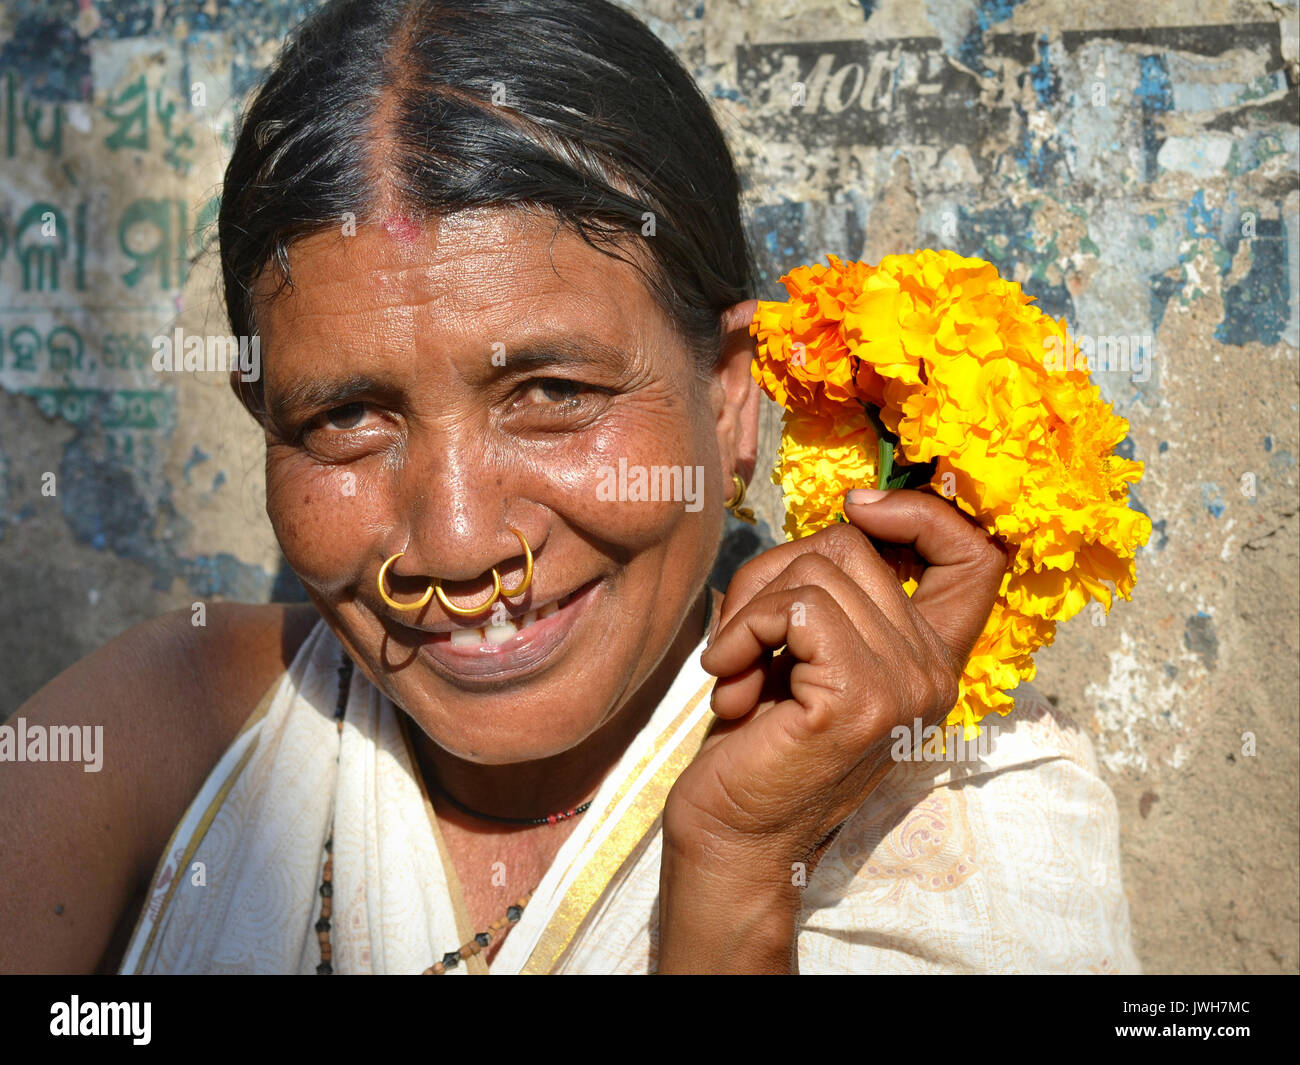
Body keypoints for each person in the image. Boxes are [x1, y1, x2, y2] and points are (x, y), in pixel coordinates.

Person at [0, 0, 1138, 974]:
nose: (452, 541)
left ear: (730, 399)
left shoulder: (967, 819)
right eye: (345, 418)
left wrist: (738, 874)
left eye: (550, 392)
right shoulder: (165, 733)